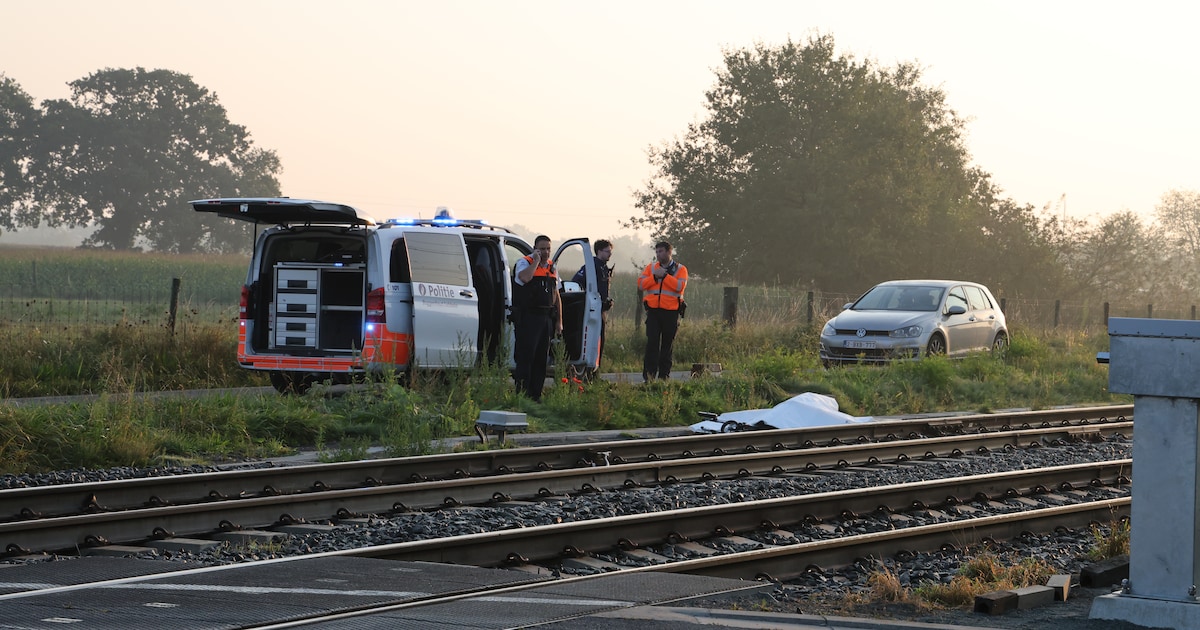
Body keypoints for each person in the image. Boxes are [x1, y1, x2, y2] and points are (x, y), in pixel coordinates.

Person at [511, 235, 562, 401]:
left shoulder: (552, 268)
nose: (546, 252)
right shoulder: (524, 263)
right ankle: (522, 393)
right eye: (542, 249)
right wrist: (535, 261)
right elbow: (524, 278)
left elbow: (557, 295)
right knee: (526, 356)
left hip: (546, 317)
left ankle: (536, 394)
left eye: (548, 248)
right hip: (529, 317)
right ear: (535, 248)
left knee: (541, 358)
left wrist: (559, 321)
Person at [638, 240, 688, 382]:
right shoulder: (651, 268)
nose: (658, 254)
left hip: (671, 312)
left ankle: (663, 376)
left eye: (661, 251)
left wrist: (665, 277)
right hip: (653, 311)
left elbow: (679, 286)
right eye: (657, 252)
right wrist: (655, 277)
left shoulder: (680, 269)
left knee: (667, 344)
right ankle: (649, 376)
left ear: (669, 252)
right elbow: (641, 284)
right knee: (652, 342)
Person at [572, 239, 614, 370]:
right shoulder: (591, 267)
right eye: (607, 251)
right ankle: (591, 370)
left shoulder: (603, 267)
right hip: (593, 309)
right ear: (599, 251)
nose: (609, 254)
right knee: (594, 340)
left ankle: (596, 370)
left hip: (601, 310)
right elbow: (576, 283)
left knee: (600, 340)